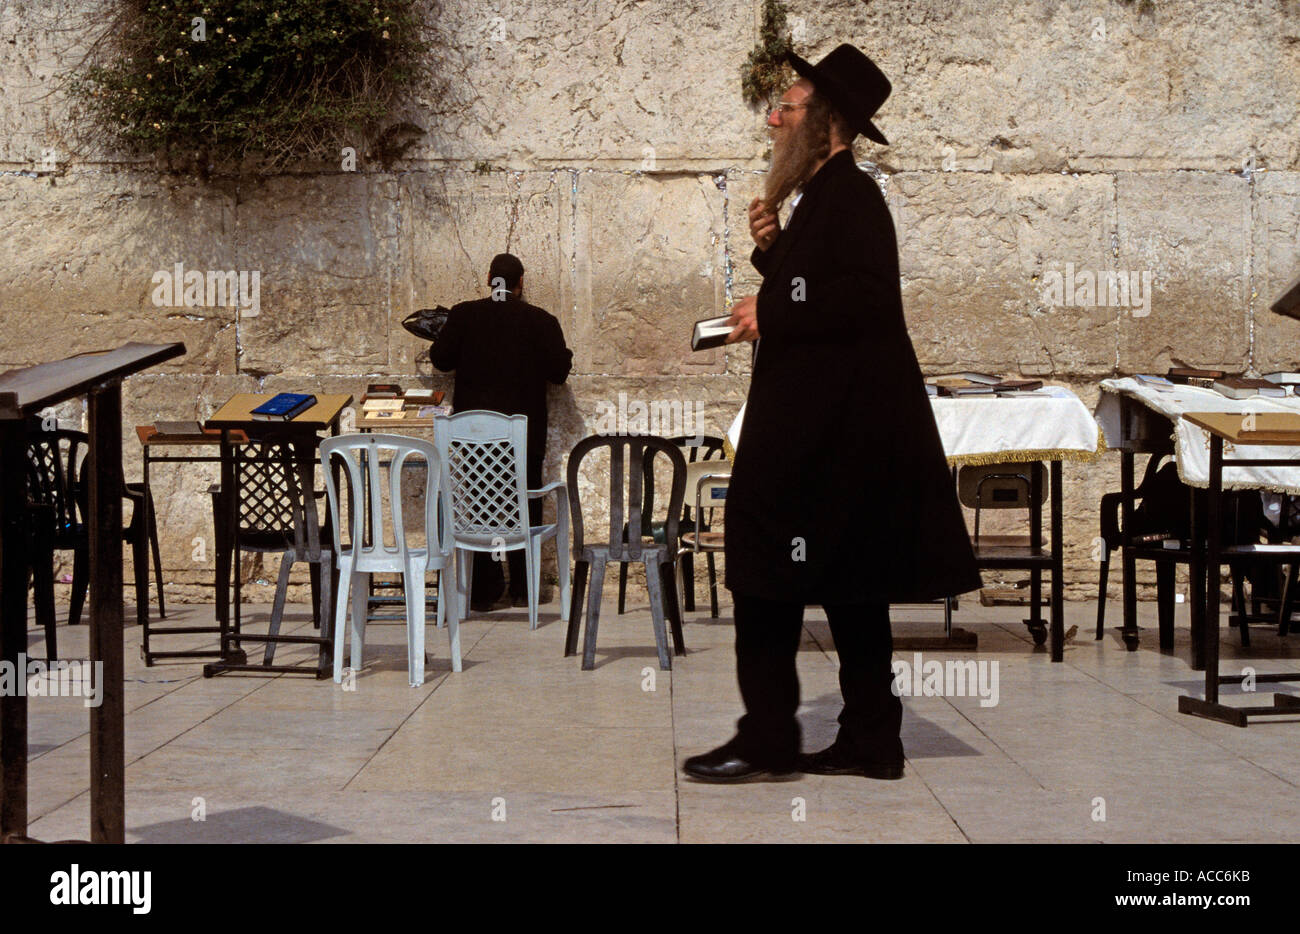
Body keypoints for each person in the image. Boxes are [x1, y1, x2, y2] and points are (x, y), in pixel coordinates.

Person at [682, 45, 982, 783]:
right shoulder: (821, 199)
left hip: (825, 443)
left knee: (763, 581)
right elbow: (825, 292)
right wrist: (775, 254)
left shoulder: (852, 195)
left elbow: (871, 301)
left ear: (830, 121)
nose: (775, 117)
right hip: (823, 435)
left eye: (788, 106)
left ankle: (770, 739)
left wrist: (771, 304)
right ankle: (871, 741)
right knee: (851, 588)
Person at [430, 253, 573, 611]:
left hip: (475, 436)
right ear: (521, 283)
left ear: (489, 277)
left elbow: (441, 359)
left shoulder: (464, 315)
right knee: (526, 504)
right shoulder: (541, 320)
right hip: (524, 438)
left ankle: (484, 592)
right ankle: (524, 590)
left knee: (481, 507)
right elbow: (559, 371)